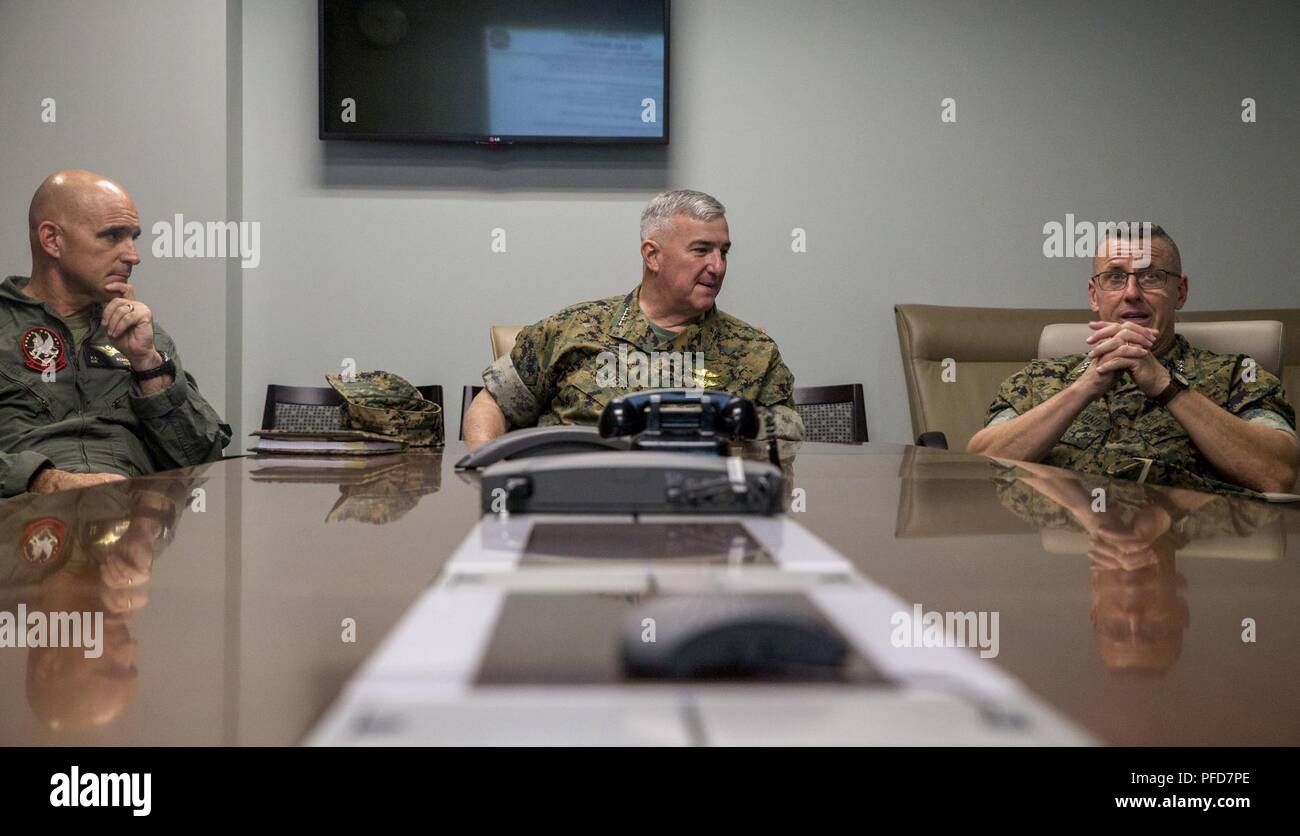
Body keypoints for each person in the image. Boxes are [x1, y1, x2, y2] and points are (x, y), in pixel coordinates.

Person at [968, 225, 1298, 496]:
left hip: (1189, 553)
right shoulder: (1041, 378)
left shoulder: (1238, 375)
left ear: (1180, 292)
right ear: (1093, 295)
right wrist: (1084, 388)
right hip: (1066, 559)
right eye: (1114, 277)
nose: (1131, 293)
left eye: (1151, 277)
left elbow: (1278, 474)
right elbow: (977, 469)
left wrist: (1167, 388)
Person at [463, 189, 803, 448]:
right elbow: (491, 405)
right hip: (578, 511)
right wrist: (489, 476)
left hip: (705, 514)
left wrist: (742, 423)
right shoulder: (571, 329)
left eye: (723, 252)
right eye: (701, 250)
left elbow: (791, 430)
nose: (718, 266)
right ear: (652, 255)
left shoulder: (753, 351)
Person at [0, 170, 230, 497]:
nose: (133, 255)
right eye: (112, 236)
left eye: (133, 237)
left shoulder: (142, 334)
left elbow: (201, 460)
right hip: (25, 520)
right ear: (52, 240)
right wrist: (42, 479)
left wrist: (148, 364)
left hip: (129, 518)